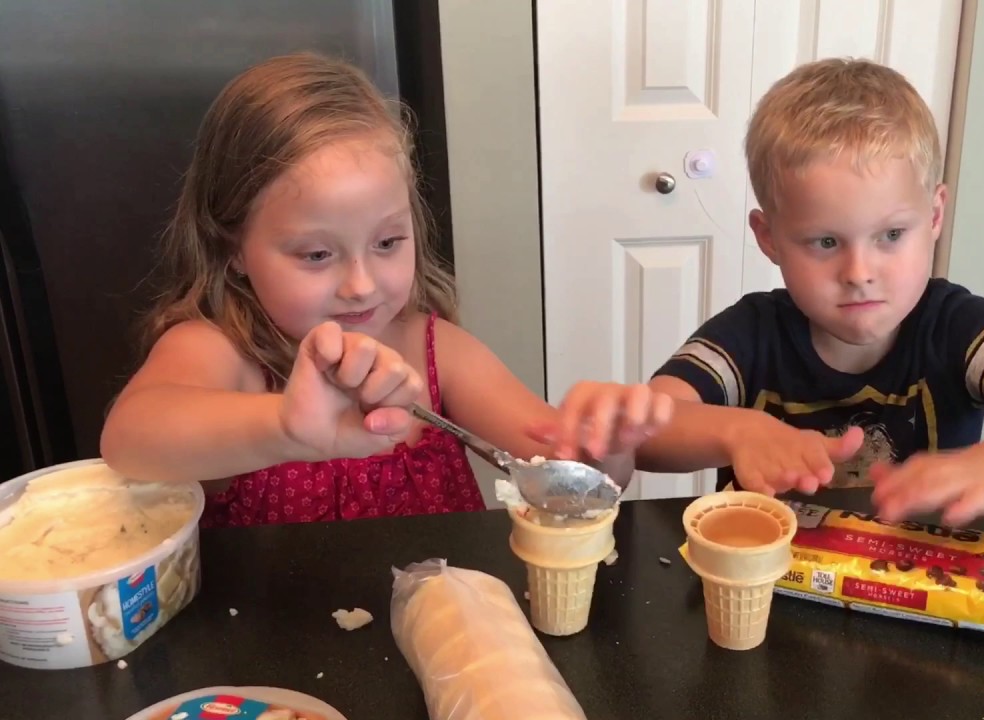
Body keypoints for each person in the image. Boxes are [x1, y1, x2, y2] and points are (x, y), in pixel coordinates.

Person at [100, 53, 671, 527]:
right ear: (233, 250)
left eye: (388, 242)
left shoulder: (435, 349)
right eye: (317, 254)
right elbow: (129, 441)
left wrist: (606, 446)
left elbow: (559, 474)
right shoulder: (220, 349)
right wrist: (283, 428)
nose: (361, 284)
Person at [614, 57, 984, 527]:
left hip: (918, 599)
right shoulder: (750, 334)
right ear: (769, 238)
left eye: (890, 235)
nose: (859, 271)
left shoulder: (960, 327)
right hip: (763, 601)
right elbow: (642, 432)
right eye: (825, 241)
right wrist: (736, 431)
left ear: (933, 216)